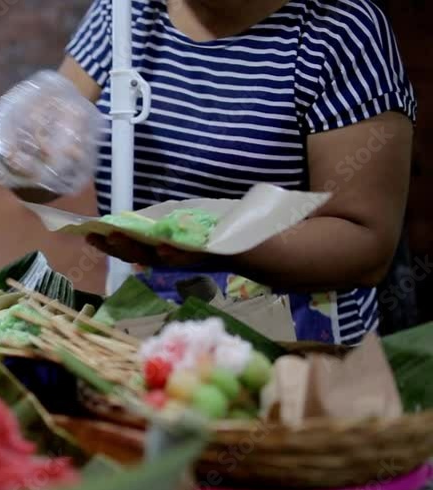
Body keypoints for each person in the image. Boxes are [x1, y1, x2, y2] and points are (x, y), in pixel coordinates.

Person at [33, 0, 416, 344]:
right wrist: (23, 154)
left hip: (291, 350)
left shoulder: (337, 31)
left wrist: (217, 241)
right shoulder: (124, 13)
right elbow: (43, 171)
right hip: (143, 339)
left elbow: (366, 245)